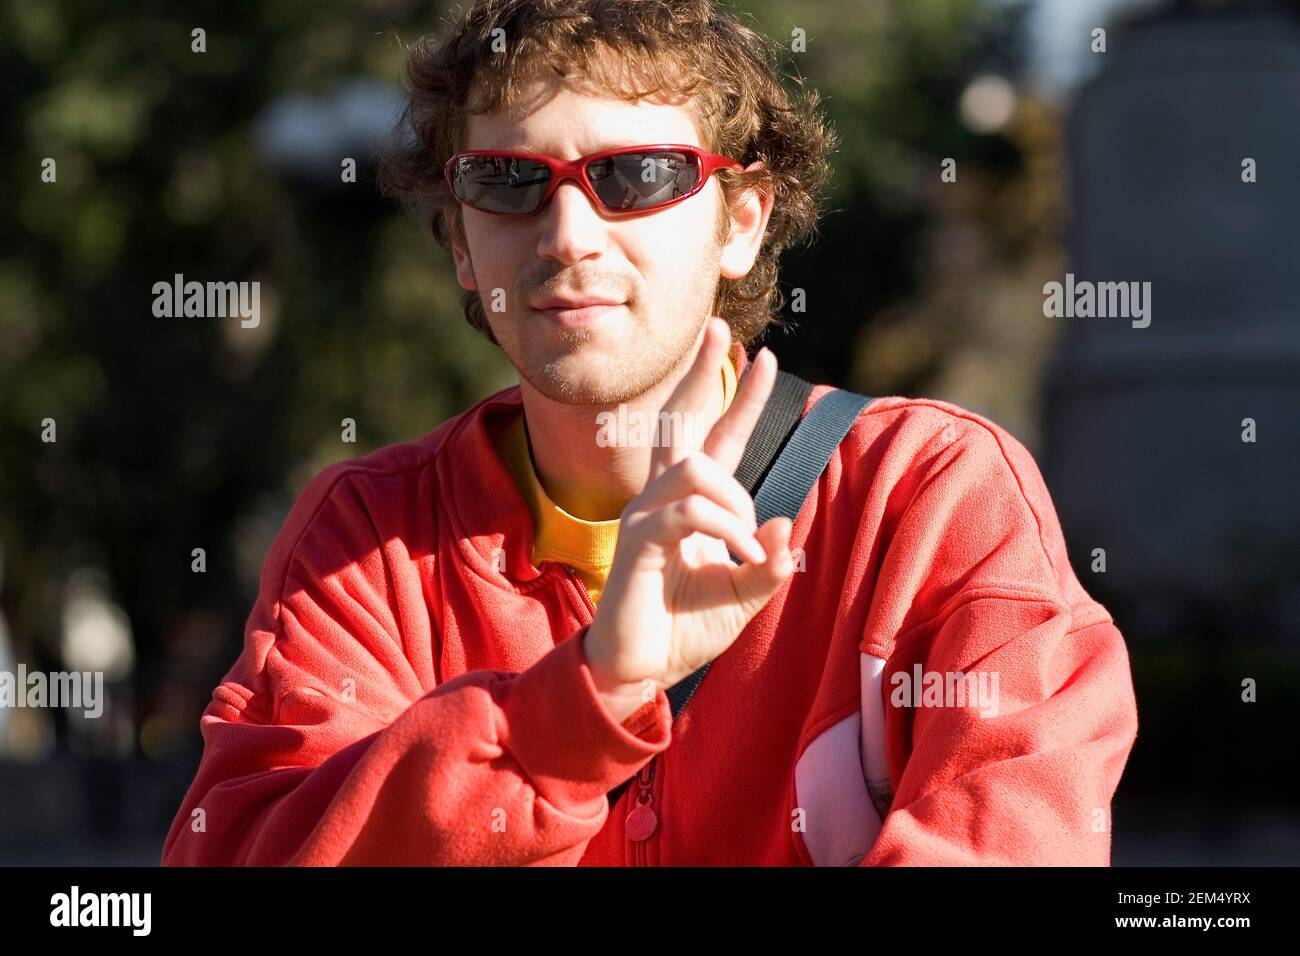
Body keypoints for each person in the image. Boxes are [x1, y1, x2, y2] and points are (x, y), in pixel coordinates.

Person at [162, 0, 1138, 866]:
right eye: (506, 181)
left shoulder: (925, 496)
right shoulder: (364, 540)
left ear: (742, 221)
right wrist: (587, 693)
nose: (568, 234)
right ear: (461, 241)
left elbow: (1014, 822)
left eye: (634, 174)